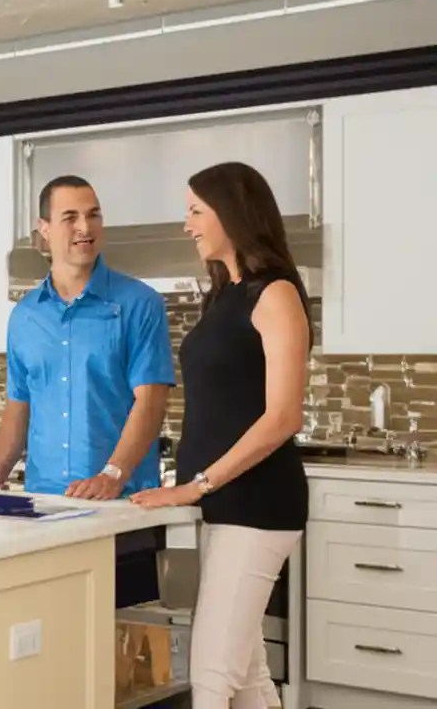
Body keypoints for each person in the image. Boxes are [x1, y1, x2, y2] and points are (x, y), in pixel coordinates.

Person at [131, 162, 311, 709]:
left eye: (195, 211)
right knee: (249, 675)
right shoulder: (225, 295)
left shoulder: (274, 293)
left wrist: (197, 485)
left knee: (210, 675)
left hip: (256, 506)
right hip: (226, 505)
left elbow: (283, 416)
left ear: (233, 213)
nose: (186, 225)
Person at [0, 175, 174, 499]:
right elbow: (19, 405)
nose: (85, 228)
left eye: (93, 215)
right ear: (44, 229)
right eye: (70, 217)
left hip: (120, 505)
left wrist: (113, 474)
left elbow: (152, 400)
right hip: (42, 503)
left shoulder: (140, 305)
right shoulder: (25, 316)